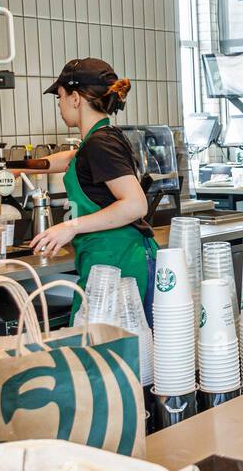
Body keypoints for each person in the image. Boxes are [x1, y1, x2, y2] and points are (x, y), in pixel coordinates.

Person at [14, 58, 157, 319]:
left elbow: (135, 205)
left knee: (105, 354)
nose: (58, 104)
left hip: (118, 263)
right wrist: (15, 168)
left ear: (76, 98)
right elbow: (71, 158)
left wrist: (69, 227)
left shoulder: (100, 144)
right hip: (112, 259)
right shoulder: (99, 138)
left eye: (59, 96)